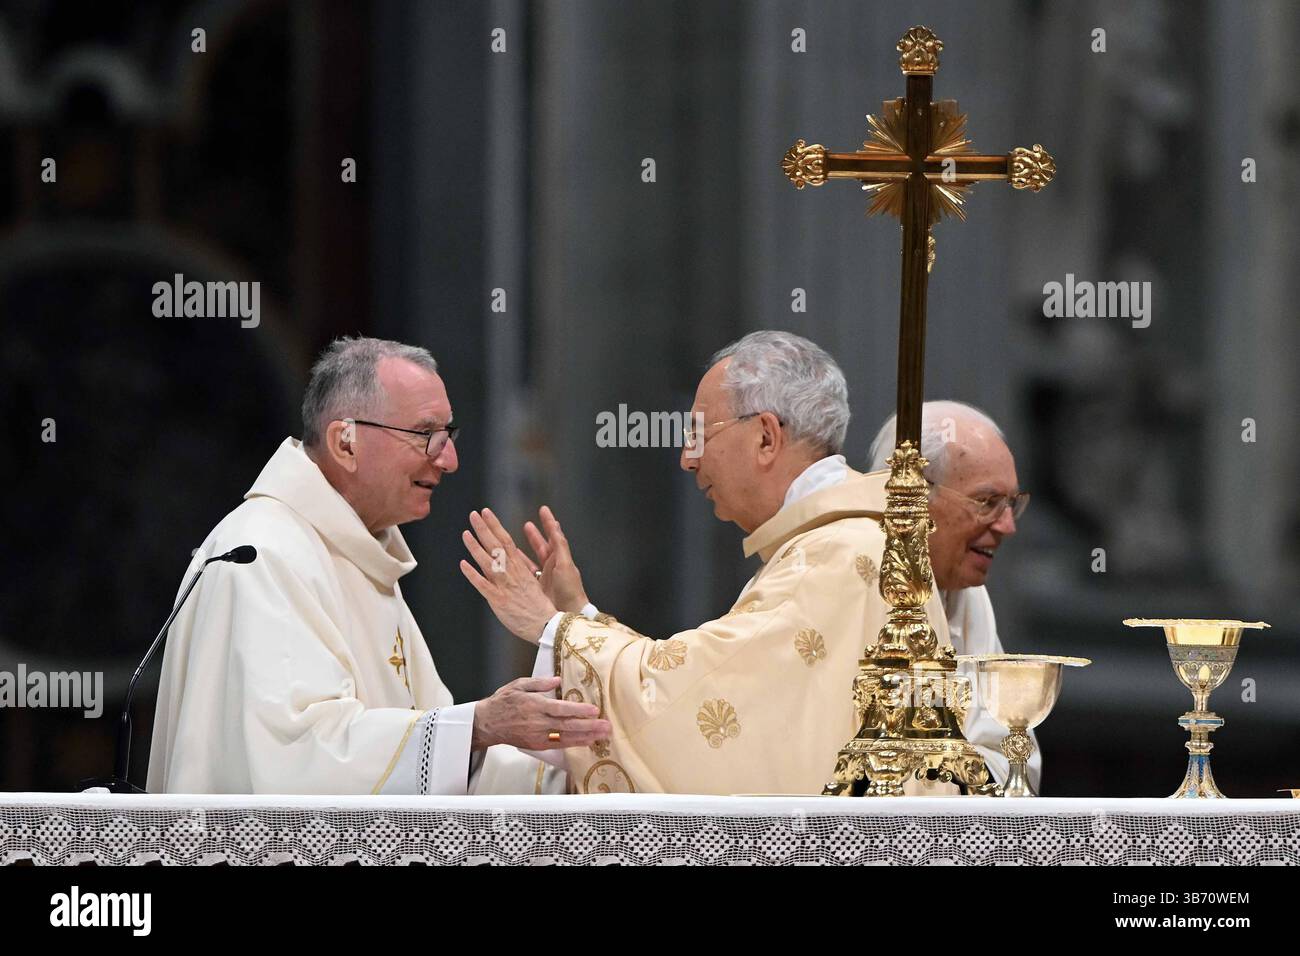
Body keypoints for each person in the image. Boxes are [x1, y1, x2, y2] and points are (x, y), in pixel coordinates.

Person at [459, 331, 963, 795]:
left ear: (766, 436)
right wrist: (579, 614)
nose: (687, 458)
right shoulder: (845, 543)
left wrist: (552, 627)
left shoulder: (837, 553)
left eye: (700, 433)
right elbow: (714, 682)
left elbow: (697, 701)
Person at [147, 336, 608, 794]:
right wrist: (477, 725)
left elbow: (435, 755)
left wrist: (581, 771)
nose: (449, 459)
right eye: (426, 434)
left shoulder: (358, 554)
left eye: (449, 435)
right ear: (345, 443)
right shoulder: (263, 555)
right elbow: (299, 758)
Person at [867, 400, 1040, 792]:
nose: (1008, 526)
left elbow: (1009, 752)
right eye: (987, 502)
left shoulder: (969, 596)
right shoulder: (856, 578)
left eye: (1012, 503)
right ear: (912, 495)